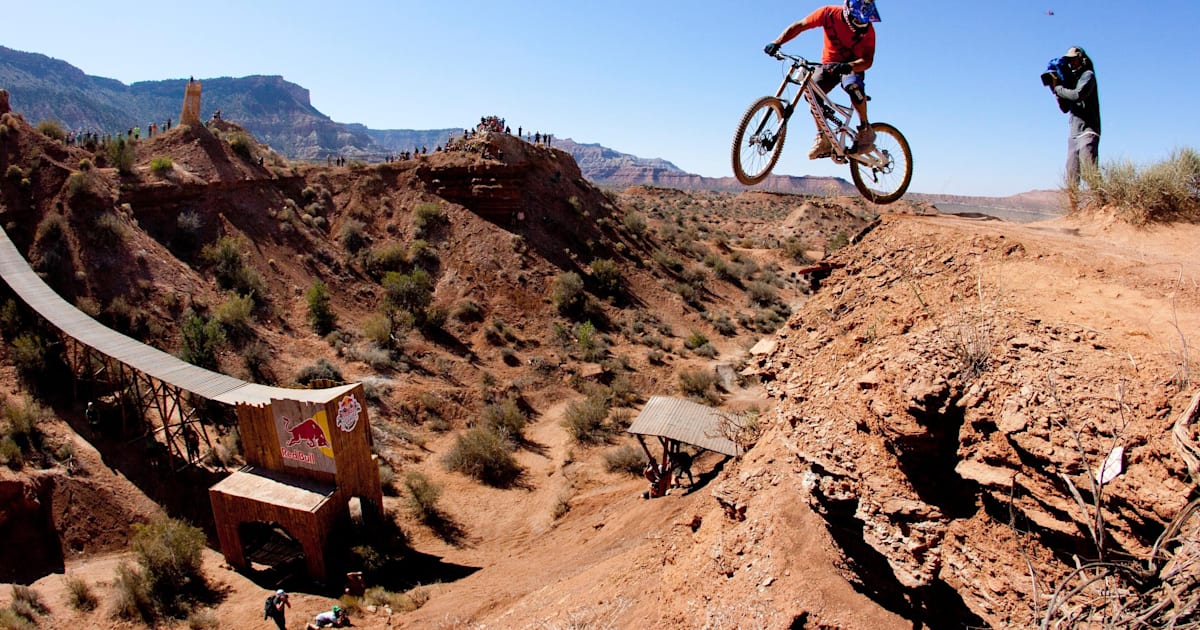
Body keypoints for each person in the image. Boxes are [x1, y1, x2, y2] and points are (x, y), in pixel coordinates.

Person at [764, 0, 881, 158]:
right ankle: (823, 137)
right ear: (848, 12)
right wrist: (777, 42)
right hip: (829, 66)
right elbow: (800, 25)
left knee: (853, 87)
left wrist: (850, 66)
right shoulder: (828, 14)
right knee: (811, 92)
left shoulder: (869, 32)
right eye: (858, 20)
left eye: (864, 21)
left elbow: (867, 61)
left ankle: (866, 129)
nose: (861, 24)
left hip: (851, 67)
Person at [1046, 46, 1100, 188]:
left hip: (1088, 131)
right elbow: (1065, 108)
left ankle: (1101, 204)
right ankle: (1074, 209)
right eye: (1069, 61)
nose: (1071, 63)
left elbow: (1077, 95)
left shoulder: (1088, 76)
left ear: (1081, 58)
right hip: (1074, 135)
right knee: (1071, 174)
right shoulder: (1072, 82)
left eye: (1073, 59)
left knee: (1089, 172)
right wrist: (1056, 91)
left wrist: (1059, 89)